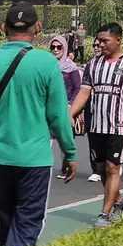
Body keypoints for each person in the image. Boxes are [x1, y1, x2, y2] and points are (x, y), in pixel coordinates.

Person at [0, 4, 75, 246]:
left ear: (3, 28)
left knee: (6, 224)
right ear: (38, 28)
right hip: (35, 160)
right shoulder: (48, 63)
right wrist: (69, 153)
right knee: (28, 226)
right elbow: (59, 116)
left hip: (0, 158)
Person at [70, 23, 123, 228]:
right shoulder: (93, 65)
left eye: (105, 41)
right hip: (96, 125)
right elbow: (84, 92)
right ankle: (120, 201)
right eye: (99, 41)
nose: (100, 44)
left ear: (118, 39)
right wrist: (70, 114)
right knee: (101, 168)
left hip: (120, 126)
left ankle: (104, 214)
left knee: (113, 168)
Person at [50, 35, 83, 181]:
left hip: (66, 109)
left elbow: (78, 88)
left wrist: (71, 105)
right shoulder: (47, 65)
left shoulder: (71, 67)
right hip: (49, 108)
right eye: (53, 47)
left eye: (59, 47)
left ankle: (65, 166)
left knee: (65, 139)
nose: (56, 50)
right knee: (46, 139)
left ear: (65, 48)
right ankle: (43, 167)